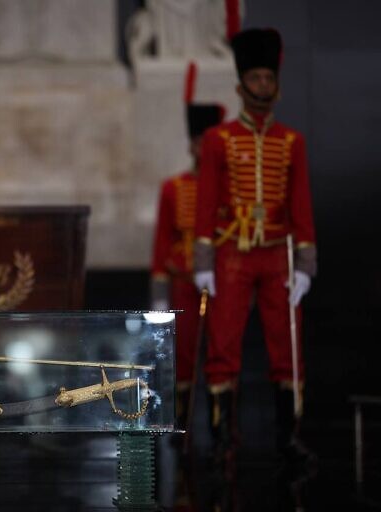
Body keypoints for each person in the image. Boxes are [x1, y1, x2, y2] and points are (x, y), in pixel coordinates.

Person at [192, 28, 317, 468]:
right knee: (224, 344)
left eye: (268, 77)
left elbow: (300, 204)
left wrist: (304, 264)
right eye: (256, 78)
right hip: (232, 254)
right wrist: (203, 260)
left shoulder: (292, 142)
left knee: (287, 344)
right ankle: (223, 437)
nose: (263, 85)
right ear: (241, 85)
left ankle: (290, 436)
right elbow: (206, 202)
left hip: (278, 254)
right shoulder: (218, 140)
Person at [151, 62, 225, 433]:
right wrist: (160, 296)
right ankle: (179, 423)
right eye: (199, 142)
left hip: (219, 284)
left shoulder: (228, 190)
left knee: (220, 353)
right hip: (182, 280)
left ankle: (218, 422)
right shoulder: (173, 188)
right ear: (192, 145)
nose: (203, 148)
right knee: (181, 356)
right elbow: (162, 240)